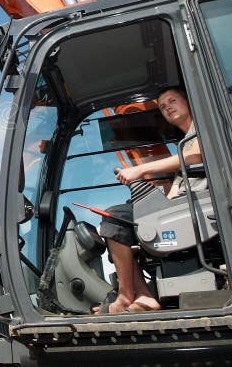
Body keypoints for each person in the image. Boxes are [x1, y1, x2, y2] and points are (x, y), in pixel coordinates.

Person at [96, 86, 205, 314]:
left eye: (172, 101)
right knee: (119, 217)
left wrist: (138, 171)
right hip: (187, 202)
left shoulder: (203, 127)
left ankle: (127, 295)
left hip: (197, 205)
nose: (168, 108)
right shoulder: (187, 137)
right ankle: (143, 296)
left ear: (188, 102)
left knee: (115, 217)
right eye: (163, 107)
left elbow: (195, 156)